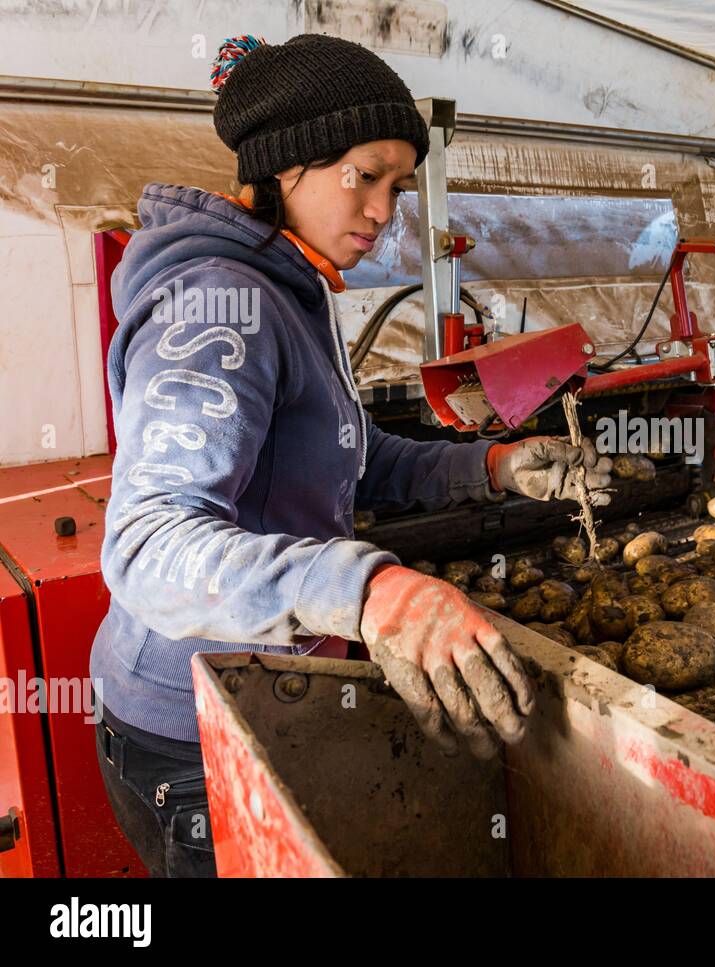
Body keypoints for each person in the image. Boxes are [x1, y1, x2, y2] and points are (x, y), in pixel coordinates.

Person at [91, 33, 611, 876]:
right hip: (191, 730)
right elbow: (149, 545)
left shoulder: (291, 288)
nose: (382, 210)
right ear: (286, 165)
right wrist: (372, 590)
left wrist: (491, 467)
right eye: (364, 175)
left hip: (270, 683)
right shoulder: (221, 306)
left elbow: (349, 457)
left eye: (398, 186)